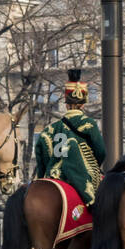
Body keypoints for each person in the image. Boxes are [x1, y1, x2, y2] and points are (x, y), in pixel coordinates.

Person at [33, 69, 105, 207]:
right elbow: (101, 152)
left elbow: (40, 154)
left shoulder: (49, 130)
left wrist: (43, 177)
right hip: (83, 178)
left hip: (52, 176)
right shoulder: (89, 124)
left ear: (66, 105)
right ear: (83, 104)